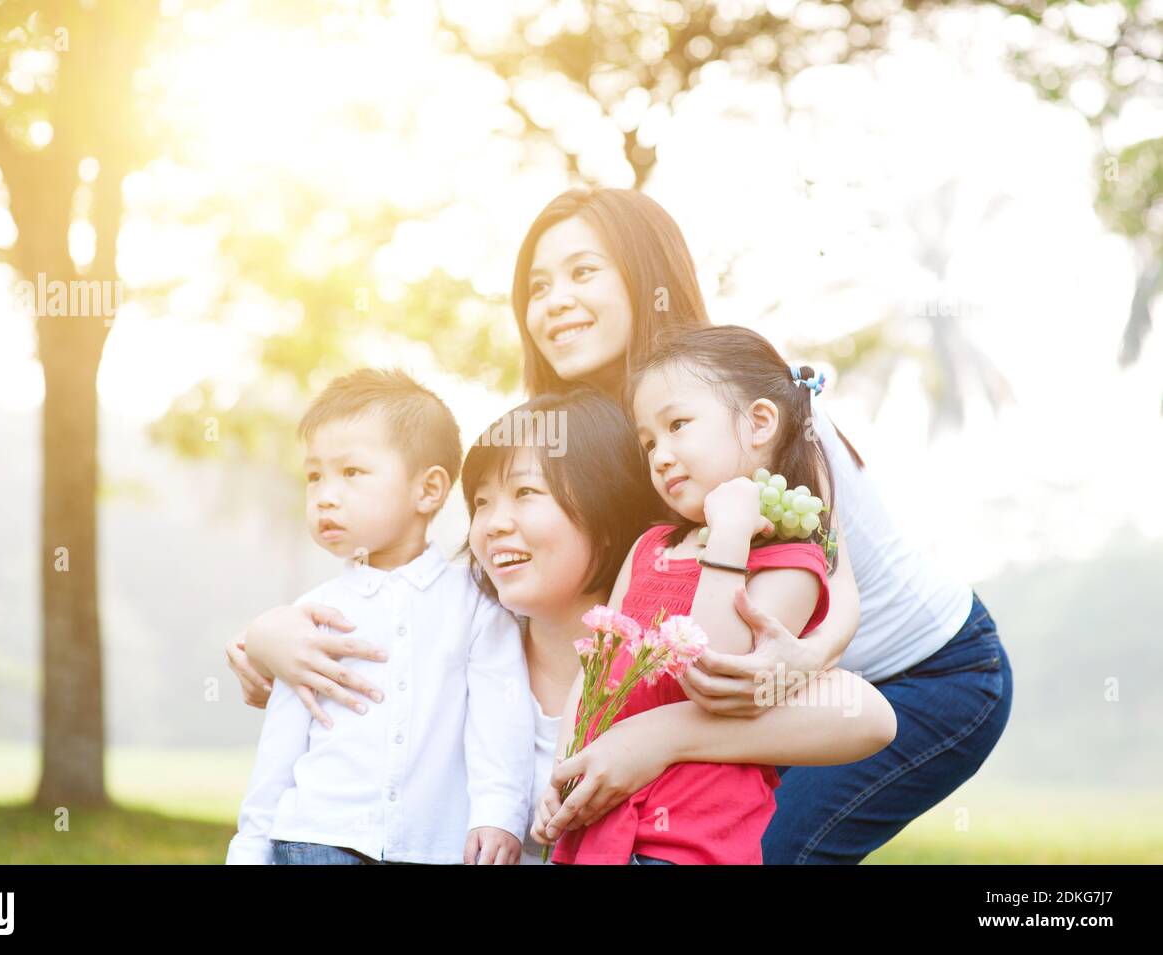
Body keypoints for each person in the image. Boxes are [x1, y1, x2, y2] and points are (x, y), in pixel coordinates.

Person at [230, 186, 1013, 864]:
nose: (554, 300)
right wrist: (272, 632)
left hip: (919, 677)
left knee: (763, 848)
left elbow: (829, 571)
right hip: (743, 684)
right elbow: (471, 564)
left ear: (646, 276)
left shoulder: (736, 403)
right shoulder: (624, 441)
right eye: (537, 284)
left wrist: (800, 659)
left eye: (582, 271)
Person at [542, 325, 835, 865]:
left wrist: (730, 532)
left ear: (759, 423)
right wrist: (564, 766)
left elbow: (709, 666)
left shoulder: (791, 564)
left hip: (687, 842)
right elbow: (596, 664)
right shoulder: (651, 547)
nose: (659, 454)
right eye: (648, 441)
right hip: (600, 820)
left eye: (678, 425)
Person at [224, 368, 534, 865]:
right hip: (316, 839)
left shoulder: (476, 604)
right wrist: (250, 846)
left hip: (435, 847)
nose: (325, 494)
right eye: (314, 476)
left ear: (428, 490)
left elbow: (500, 719)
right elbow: (279, 748)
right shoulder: (307, 617)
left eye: (351, 473)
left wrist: (498, 813)